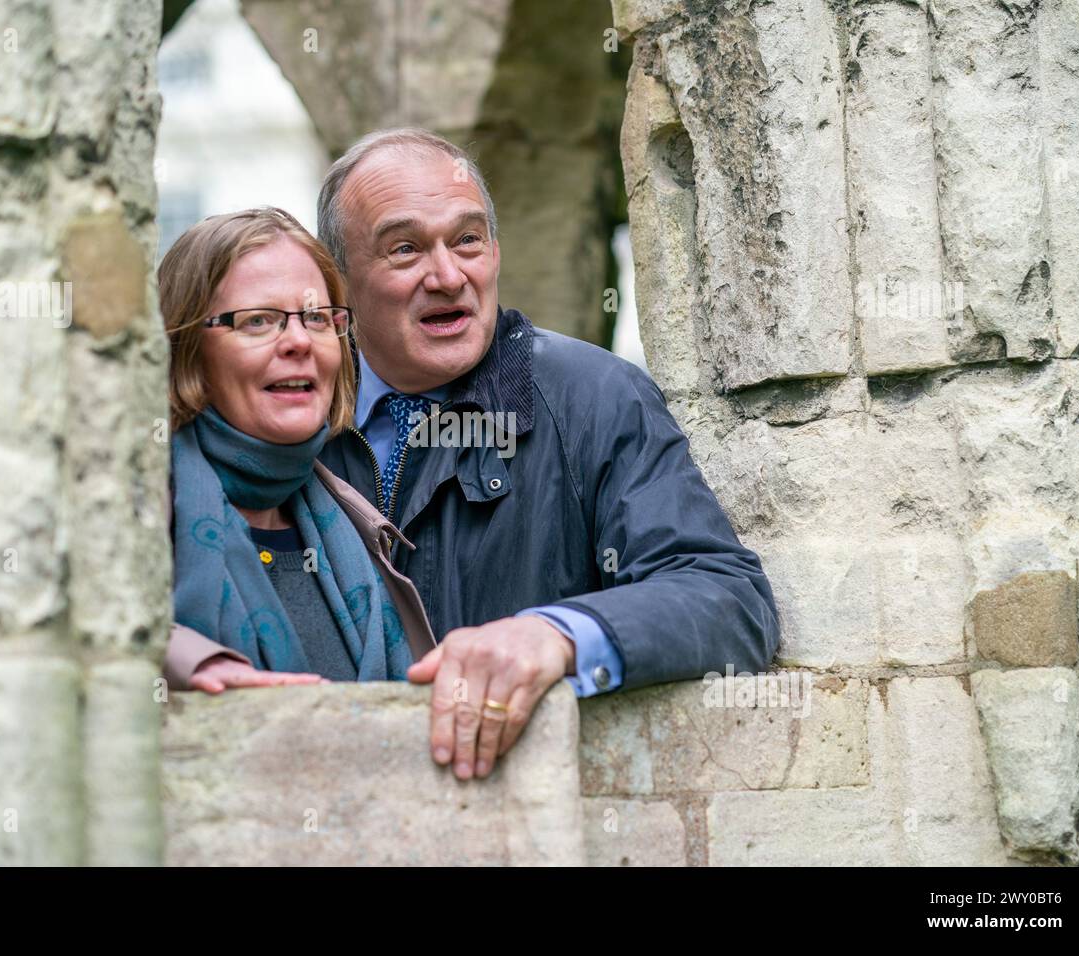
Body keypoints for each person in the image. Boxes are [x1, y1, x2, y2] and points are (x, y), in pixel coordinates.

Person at [315, 128, 781, 780]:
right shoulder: (291, 417)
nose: (448, 276)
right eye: (405, 249)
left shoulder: (597, 398)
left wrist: (556, 635)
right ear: (339, 281)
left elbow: (730, 603)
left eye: (468, 239)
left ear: (496, 250)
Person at [158, 207, 434, 693]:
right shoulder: (122, 514)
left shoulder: (356, 521)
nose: (300, 341)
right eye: (258, 321)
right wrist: (184, 663)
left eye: (317, 317)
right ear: (187, 350)